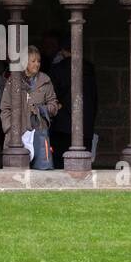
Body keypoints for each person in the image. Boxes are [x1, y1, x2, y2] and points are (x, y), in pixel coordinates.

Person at [43, 29, 97, 168]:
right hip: (86, 126)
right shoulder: (89, 69)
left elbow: (50, 96)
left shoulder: (58, 69)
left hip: (63, 127)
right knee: (83, 166)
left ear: (62, 50)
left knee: (61, 165)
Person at [0, 45, 59, 169]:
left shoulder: (45, 81)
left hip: (38, 131)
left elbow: (54, 105)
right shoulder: (13, 81)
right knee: (16, 170)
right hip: (17, 132)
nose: (37, 64)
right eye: (33, 61)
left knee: (41, 169)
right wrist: (9, 128)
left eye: (39, 61)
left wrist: (42, 109)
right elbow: (5, 108)